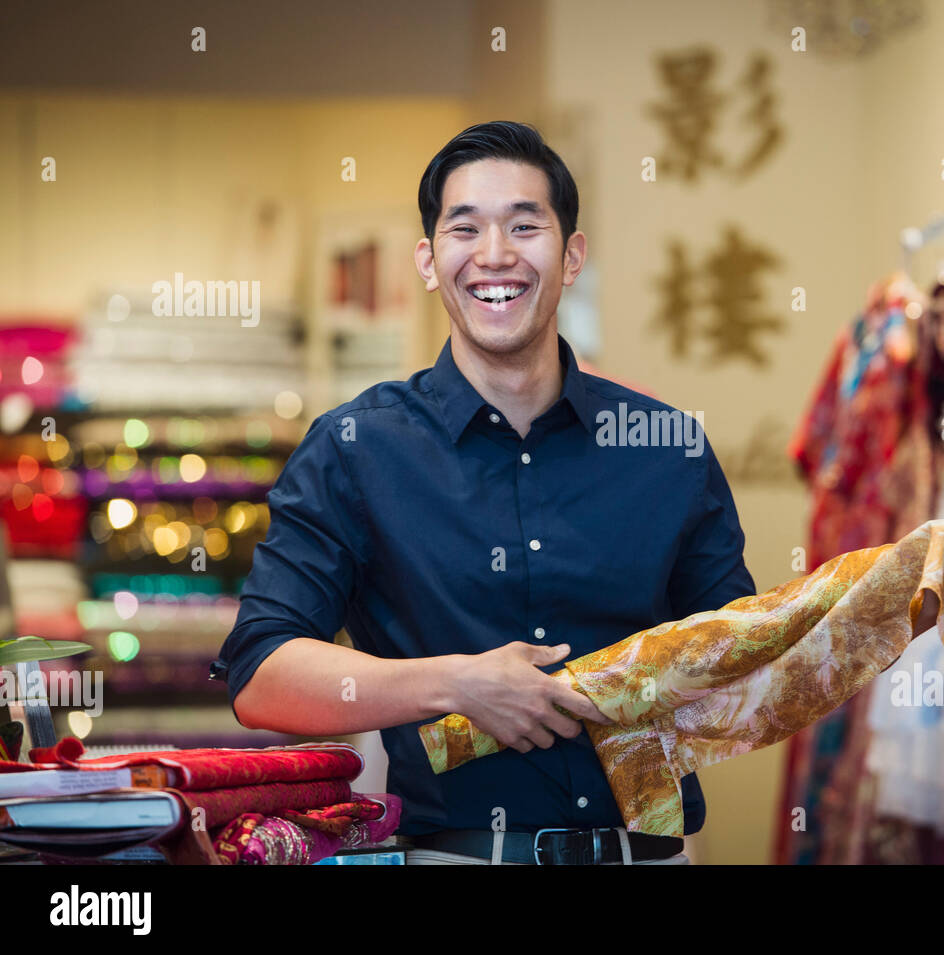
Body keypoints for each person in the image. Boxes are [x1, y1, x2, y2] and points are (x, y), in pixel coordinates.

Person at [211, 121, 757, 865]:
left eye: (525, 225)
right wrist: (458, 685)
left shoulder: (667, 447)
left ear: (571, 257)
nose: (495, 254)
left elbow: (737, 669)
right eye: (464, 228)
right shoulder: (356, 449)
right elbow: (261, 674)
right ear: (430, 261)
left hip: (651, 853)